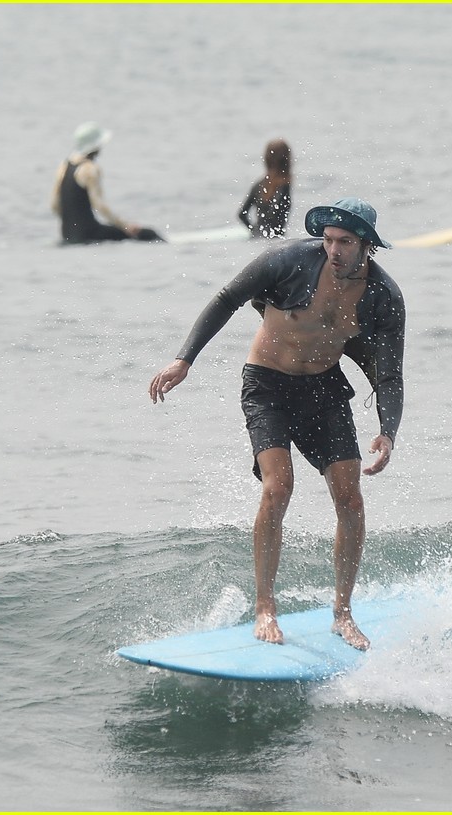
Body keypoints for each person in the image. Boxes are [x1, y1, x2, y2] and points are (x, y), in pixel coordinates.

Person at [149, 197, 405, 651]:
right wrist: (183, 359)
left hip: (324, 389)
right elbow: (227, 298)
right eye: (328, 240)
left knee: (349, 495)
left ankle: (342, 612)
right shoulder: (288, 262)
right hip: (267, 386)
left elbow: (388, 372)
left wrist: (388, 431)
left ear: (367, 245)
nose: (334, 250)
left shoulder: (384, 297)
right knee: (278, 487)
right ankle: (265, 607)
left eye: (345, 242)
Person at [51, 122, 164, 245]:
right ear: (95, 146)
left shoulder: (63, 166)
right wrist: (125, 226)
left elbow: (54, 205)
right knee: (150, 234)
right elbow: (100, 206)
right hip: (89, 234)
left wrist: (72, 225)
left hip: (67, 234)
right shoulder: (90, 168)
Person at [237, 138, 293, 238]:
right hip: (275, 241)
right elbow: (274, 215)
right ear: (286, 160)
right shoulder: (284, 186)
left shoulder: (259, 184)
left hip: (257, 238)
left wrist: (254, 231)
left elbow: (242, 214)